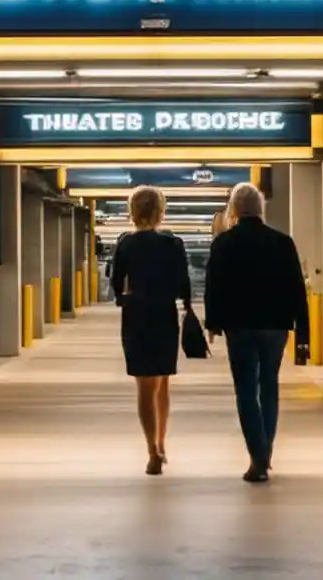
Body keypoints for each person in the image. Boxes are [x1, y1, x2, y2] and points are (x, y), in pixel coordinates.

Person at [204, 182, 310, 483]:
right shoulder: (282, 242)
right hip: (276, 325)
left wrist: (212, 323)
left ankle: (257, 457)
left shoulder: (224, 243)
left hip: (239, 326)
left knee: (246, 390)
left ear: (234, 210)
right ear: (261, 208)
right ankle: (266, 452)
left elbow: (214, 286)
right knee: (269, 385)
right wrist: (303, 330)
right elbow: (296, 289)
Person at [110, 186, 192, 476]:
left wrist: (125, 297)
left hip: (136, 315)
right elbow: (184, 283)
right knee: (163, 383)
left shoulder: (126, 244)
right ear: (161, 211)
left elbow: (115, 283)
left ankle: (151, 450)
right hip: (164, 314)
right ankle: (161, 441)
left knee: (144, 385)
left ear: (132, 211)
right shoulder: (173, 244)